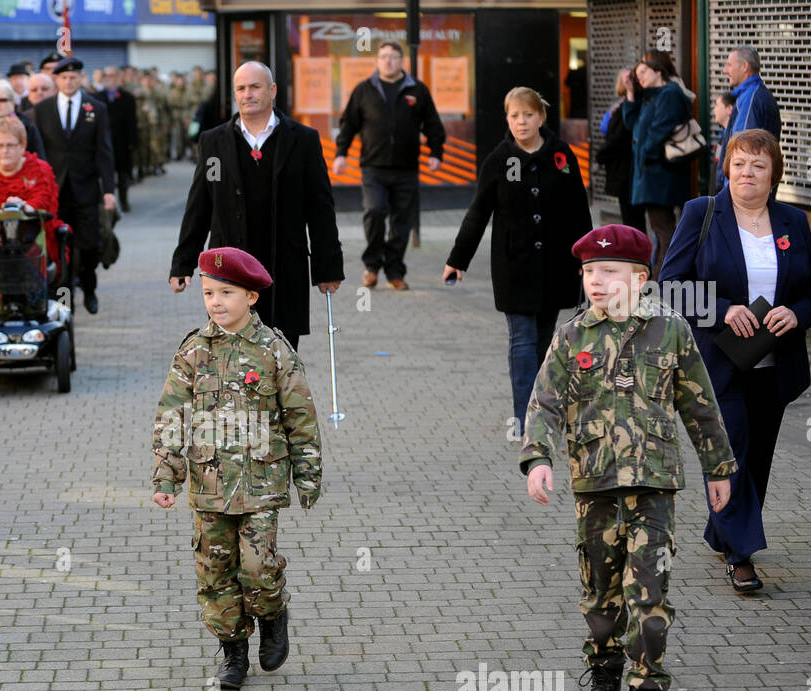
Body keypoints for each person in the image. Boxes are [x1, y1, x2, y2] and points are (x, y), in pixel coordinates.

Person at [520, 224, 736, 691]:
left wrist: (719, 468)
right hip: (593, 484)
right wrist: (537, 460)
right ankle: (605, 674)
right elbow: (544, 402)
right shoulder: (572, 336)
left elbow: (700, 405)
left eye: (609, 272)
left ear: (641, 278)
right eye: (590, 272)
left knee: (650, 593)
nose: (596, 281)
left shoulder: (671, 331)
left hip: (654, 484)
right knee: (600, 592)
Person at [660, 129, 811, 593]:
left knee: (756, 460)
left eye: (758, 165)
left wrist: (794, 314)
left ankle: (723, 528)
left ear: (774, 173)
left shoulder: (793, 222)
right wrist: (723, 310)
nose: (747, 173)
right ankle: (740, 556)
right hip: (717, 363)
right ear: (726, 169)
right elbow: (670, 283)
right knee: (730, 452)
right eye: (739, 164)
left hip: (775, 364)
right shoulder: (703, 213)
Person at [151, 247, 321, 690]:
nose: (216, 302)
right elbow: (173, 415)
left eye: (226, 292)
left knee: (257, 567)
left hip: (261, 482)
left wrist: (308, 473)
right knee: (214, 571)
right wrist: (166, 475)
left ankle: (272, 613)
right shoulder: (193, 351)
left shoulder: (274, 350)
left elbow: (300, 415)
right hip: (208, 485)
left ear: (252, 297)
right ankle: (232, 652)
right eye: (208, 293)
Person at [443, 87, 592, 429]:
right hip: (515, 267)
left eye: (528, 115)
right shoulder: (499, 160)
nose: (521, 122)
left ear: (541, 117)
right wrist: (457, 259)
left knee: (544, 339)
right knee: (522, 339)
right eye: (514, 116)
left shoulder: (561, 155)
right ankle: (526, 416)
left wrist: (588, 259)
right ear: (507, 119)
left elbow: (578, 211)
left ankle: (544, 408)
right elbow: (478, 212)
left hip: (556, 265)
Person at [171, 62, 344, 351]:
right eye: (241, 88)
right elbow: (199, 206)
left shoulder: (303, 140)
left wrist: (327, 268)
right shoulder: (213, 142)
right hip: (229, 267)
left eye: (255, 87)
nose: (247, 94)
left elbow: (320, 209)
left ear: (272, 90)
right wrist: (182, 263)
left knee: (282, 356)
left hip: (284, 265)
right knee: (230, 357)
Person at [333, 40, 445, 290]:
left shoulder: (417, 90)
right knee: (374, 212)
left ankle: (394, 270)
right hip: (373, 167)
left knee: (401, 223)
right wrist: (341, 153)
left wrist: (436, 152)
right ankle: (372, 266)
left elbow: (433, 124)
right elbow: (349, 123)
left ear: (401, 60)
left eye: (393, 57)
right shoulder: (364, 89)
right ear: (377, 61)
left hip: (407, 169)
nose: (388, 61)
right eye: (383, 56)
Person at [31, 57, 117, 315]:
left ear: (81, 79)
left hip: (86, 188)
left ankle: (89, 288)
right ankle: (64, 299)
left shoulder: (96, 108)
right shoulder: (43, 109)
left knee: (89, 245)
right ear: (56, 80)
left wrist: (109, 190)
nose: (69, 82)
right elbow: (39, 150)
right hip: (54, 190)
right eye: (64, 78)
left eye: (73, 77)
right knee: (59, 246)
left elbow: (104, 151)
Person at [0, 116, 65, 281]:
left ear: (22, 145)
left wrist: (24, 207)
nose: (5, 151)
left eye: (10, 145)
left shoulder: (39, 169)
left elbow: (44, 200)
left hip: (31, 239)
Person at [621, 49, 694, 278]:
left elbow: (657, 132)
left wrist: (645, 155)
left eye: (643, 71)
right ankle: (661, 278)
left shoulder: (669, 93)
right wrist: (631, 94)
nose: (639, 76)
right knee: (661, 229)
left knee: (664, 229)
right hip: (652, 174)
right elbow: (632, 125)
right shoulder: (653, 95)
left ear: (658, 71)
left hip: (660, 175)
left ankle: (665, 279)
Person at [716, 46, 780, 194]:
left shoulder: (751, 98)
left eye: (729, 65)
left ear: (745, 66)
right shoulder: (754, 95)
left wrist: (729, 193)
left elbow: (742, 150)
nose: (725, 70)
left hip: (745, 195)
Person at [595, 69, 646, 234]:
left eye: (631, 78)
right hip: (620, 169)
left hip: (628, 171)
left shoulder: (635, 105)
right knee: (629, 218)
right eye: (625, 79)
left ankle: (638, 257)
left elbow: (623, 134)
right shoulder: (618, 106)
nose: (628, 82)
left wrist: (601, 154)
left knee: (633, 220)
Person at [100, 66, 137, 212]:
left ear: (117, 78)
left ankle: (124, 200)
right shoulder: (97, 97)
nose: (109, 79)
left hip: (121, 142)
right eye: (106, 76)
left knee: (123, 174)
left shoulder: (127, 98)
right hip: (103, 142)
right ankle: (107, 201)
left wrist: (133, 142)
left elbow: (132, 122)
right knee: (105, 174)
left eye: (112, 76)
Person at [709, 92, 736, 193]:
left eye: (717, 105)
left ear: (729, 109)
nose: (714, 109)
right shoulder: (724, 135)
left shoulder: (732, 138)